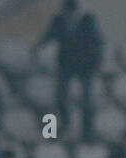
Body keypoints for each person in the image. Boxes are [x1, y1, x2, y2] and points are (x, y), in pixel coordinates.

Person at [37, 0, 103, 136]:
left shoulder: (88, 20)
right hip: (66, 64)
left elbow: (97, 41)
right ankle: (65, 122)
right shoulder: (59, 20)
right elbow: (49, 35)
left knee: (87, 99)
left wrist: (95, 62)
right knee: (60, 96)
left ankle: (87, 128)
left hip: (85, 65)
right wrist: (38, 45)